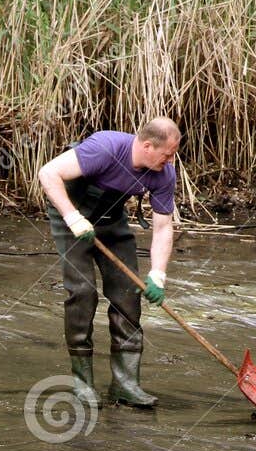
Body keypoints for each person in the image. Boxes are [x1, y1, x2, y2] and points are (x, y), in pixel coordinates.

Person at [37, 119, 180, 409]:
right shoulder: (105, 148)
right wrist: (73, 218)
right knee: (83, 293)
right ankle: (82, 384)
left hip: (112, 223)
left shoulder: (163, 173)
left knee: (128, 296)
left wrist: (158, 274)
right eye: (167, 153)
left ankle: (125, 385)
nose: (170, 160)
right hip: (72, 219)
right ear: (147, 146)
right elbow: (48, 172)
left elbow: (163, 227)